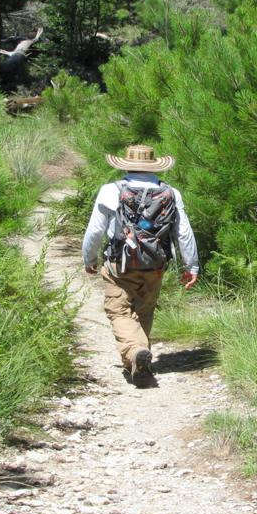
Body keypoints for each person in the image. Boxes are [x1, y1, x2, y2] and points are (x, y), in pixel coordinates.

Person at [81, 144, 201, 387]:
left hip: (119, 263)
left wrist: (89, 258)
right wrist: (192, 266)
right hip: (155, 264)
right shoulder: (171, 193)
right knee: (144, 310)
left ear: (125, 165)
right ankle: (138, 361)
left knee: (119, 310)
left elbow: (95, 230)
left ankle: (135, 352)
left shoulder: (111, 190)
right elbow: (184, 233)